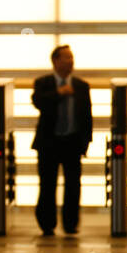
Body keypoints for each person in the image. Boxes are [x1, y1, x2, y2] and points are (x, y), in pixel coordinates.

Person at [31, 44, 92, 237]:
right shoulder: (43, 83)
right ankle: (47, 224)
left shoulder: (81, 86)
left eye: (71, 58)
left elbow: (87, 116)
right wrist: (59, 93)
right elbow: (38, 102)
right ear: (55, 61)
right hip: (49, 143)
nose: (70, 61)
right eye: (66, 58)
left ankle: (70, 223)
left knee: (73, 185)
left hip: (72, 142)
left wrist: (85, 142)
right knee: (47, 185)